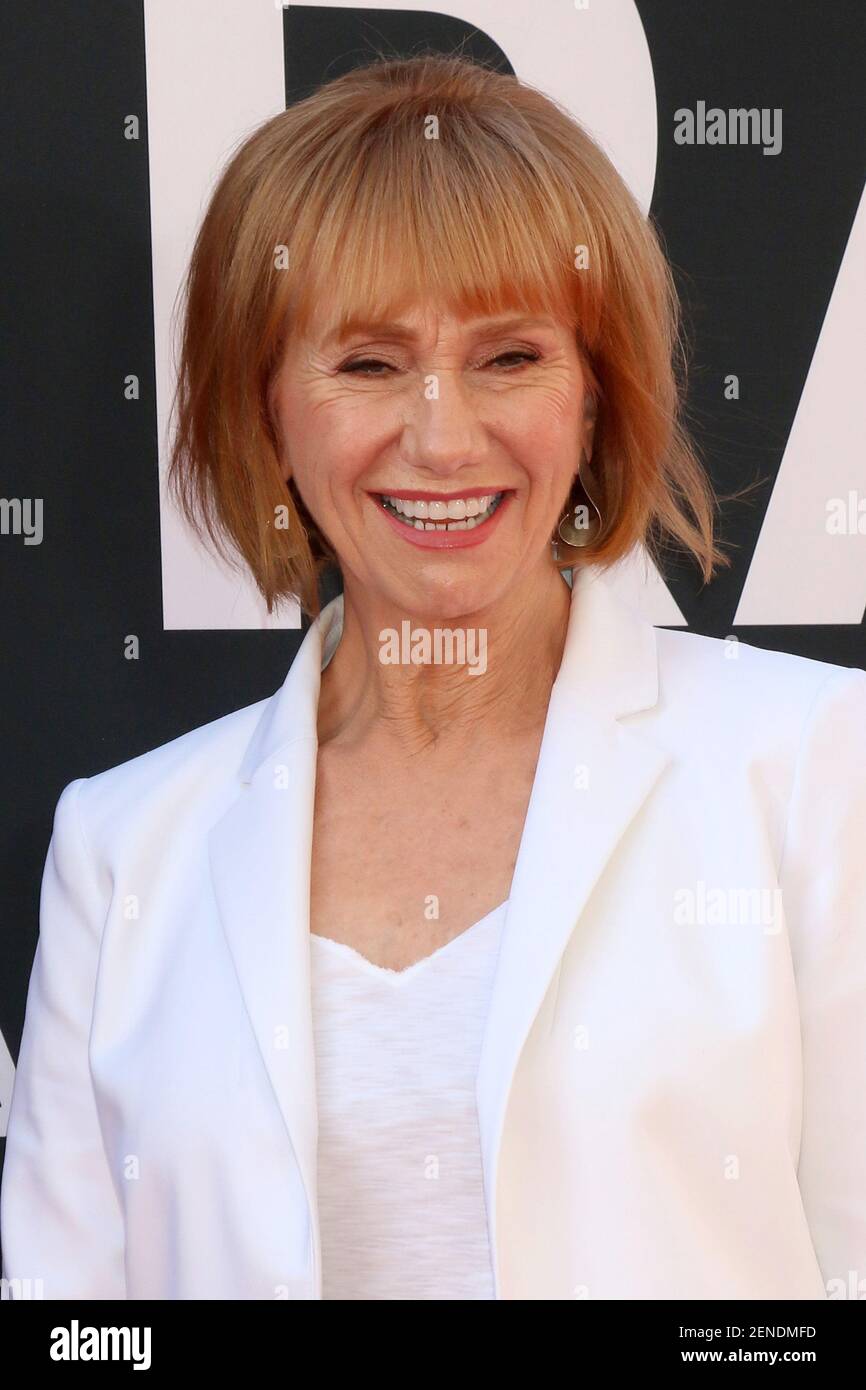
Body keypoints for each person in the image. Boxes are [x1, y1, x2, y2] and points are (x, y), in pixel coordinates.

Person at [2, 52, 864, 1302]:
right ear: (265, 415)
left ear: (592, 400)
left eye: (509, 358)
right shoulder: (123, 848)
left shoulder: (814, 767)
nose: (443, 435)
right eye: (364, 364)